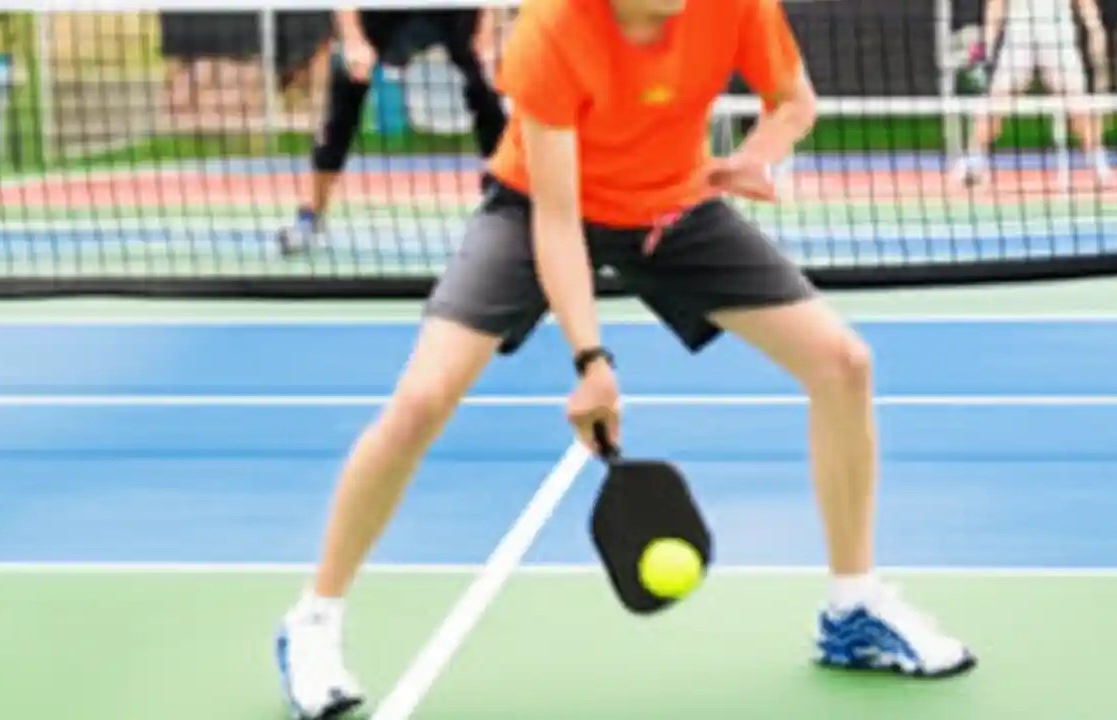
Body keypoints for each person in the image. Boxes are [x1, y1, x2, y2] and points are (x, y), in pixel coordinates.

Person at [275, 0, 976, 716]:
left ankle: (853, 611)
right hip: (537, 210)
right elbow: (556, 218)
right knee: (422, 400)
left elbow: (795, 103)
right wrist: (590, 360)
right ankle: (315, 618)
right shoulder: (553, 28)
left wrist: (756, 158)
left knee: (843, 364)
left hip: (676, 208)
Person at [276, 7, 509, 256]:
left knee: (486, 95)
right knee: (342, 100)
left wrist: (487, 34)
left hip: (450, 9)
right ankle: (309, 217)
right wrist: (353, 40)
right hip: (384, 10)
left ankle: (509, 208)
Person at [953, 0, 1113, 186]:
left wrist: (1094, 26)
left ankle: (1097, 161)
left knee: (1076, 100)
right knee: (998, 97)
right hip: (1020, 34)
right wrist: (988, 41)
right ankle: (974, 161)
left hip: (1057, 33)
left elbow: (1085, 3)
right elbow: (996, 4)